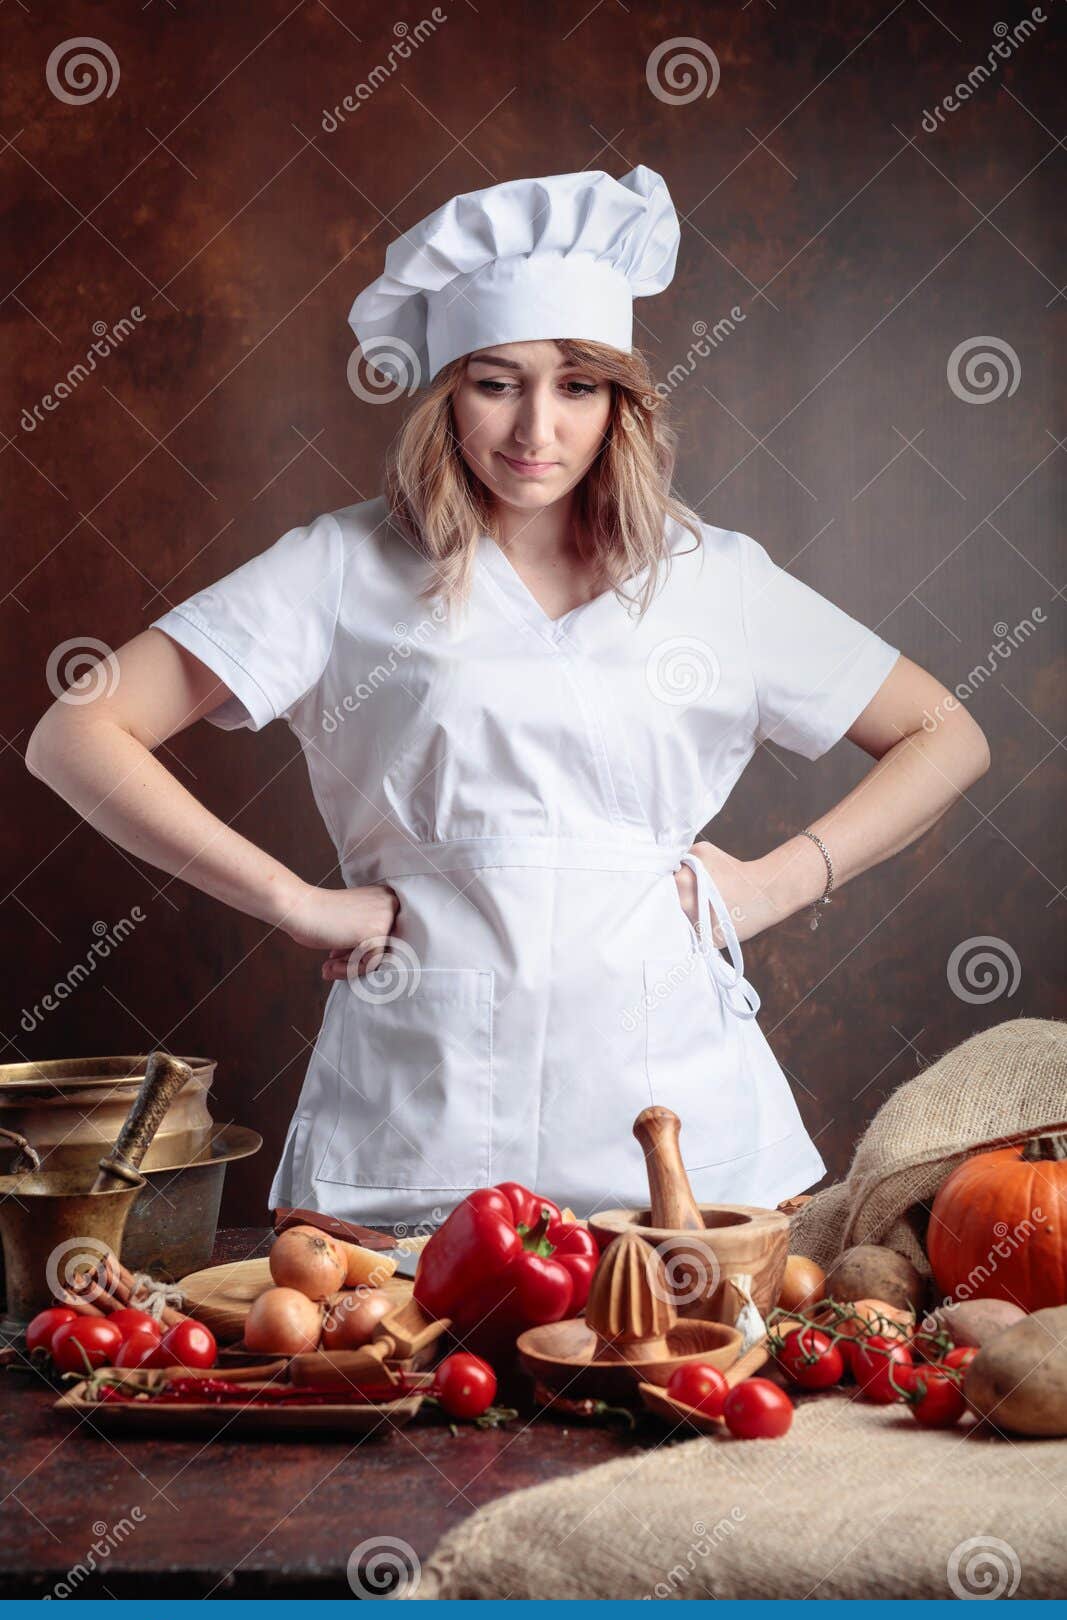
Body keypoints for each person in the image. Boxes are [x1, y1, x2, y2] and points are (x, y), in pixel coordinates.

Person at [25, 166, 991, 1229]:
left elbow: (942, 734)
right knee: (403, 1336)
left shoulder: (714, 577)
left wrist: (777, 881)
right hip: (419, 1119)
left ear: (620, 403)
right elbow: (79, 729)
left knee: (692, 1328)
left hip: (679, 1123)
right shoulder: (342, 565)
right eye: (496, 382)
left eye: (577, 387)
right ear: (446, 391)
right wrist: (293, 902)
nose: (536, 428)